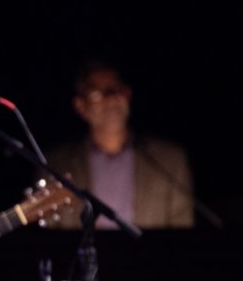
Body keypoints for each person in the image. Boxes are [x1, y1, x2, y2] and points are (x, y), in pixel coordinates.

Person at [44, 60, 195, 229]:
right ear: (80, 105)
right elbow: (47, 232)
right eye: (97, 93)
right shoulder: (55, 165)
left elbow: (182, 235)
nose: (111, 100)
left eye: (116, 90)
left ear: (128, 94)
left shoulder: (169, 160)